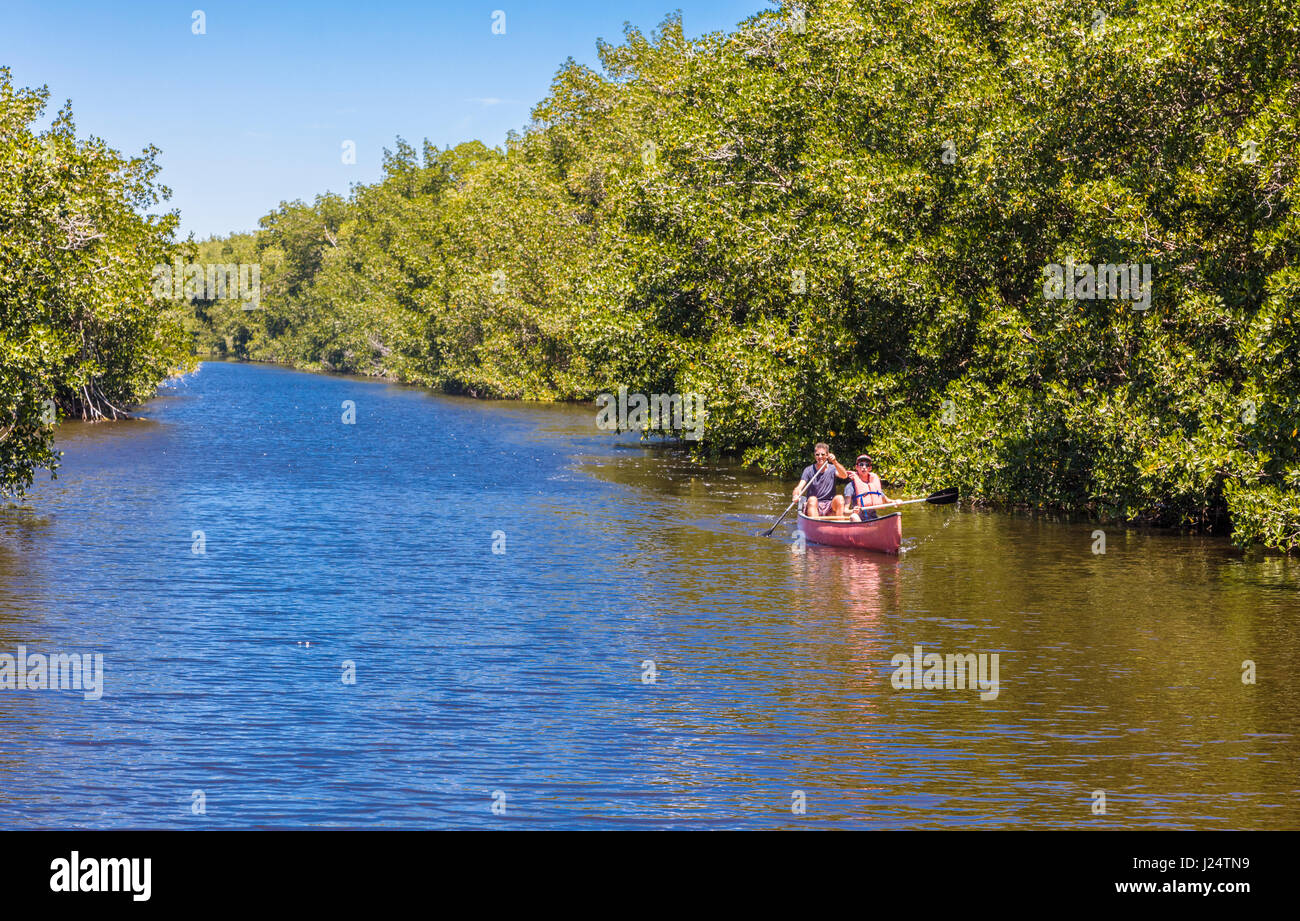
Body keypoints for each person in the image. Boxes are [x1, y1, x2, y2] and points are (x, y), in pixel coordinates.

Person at [793, 443, 848, 519]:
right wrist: (795, 495)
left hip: (829, 504)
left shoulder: (833, 468)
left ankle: (839, 525)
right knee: (812, 499)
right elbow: (799, 487)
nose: (820, 457)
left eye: (823, 454)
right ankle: (815, 525)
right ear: (814, 456)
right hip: (813, 505)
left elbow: (844, 475)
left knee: (839, 498)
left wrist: (835, 462)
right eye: (817, 455)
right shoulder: (808, 470)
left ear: (827, 455)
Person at [844, 454, 890, 521]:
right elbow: (845, 511)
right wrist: (852, 511)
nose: (864, 467)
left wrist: (896, 501)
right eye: (861, 464)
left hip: (873, 518)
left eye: (867, 465)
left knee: (891, 516)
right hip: (858, 519)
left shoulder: (873, 485)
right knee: (854, 516)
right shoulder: (850, 486)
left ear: (870, 468)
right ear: (856, 467)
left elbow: (888, 501)